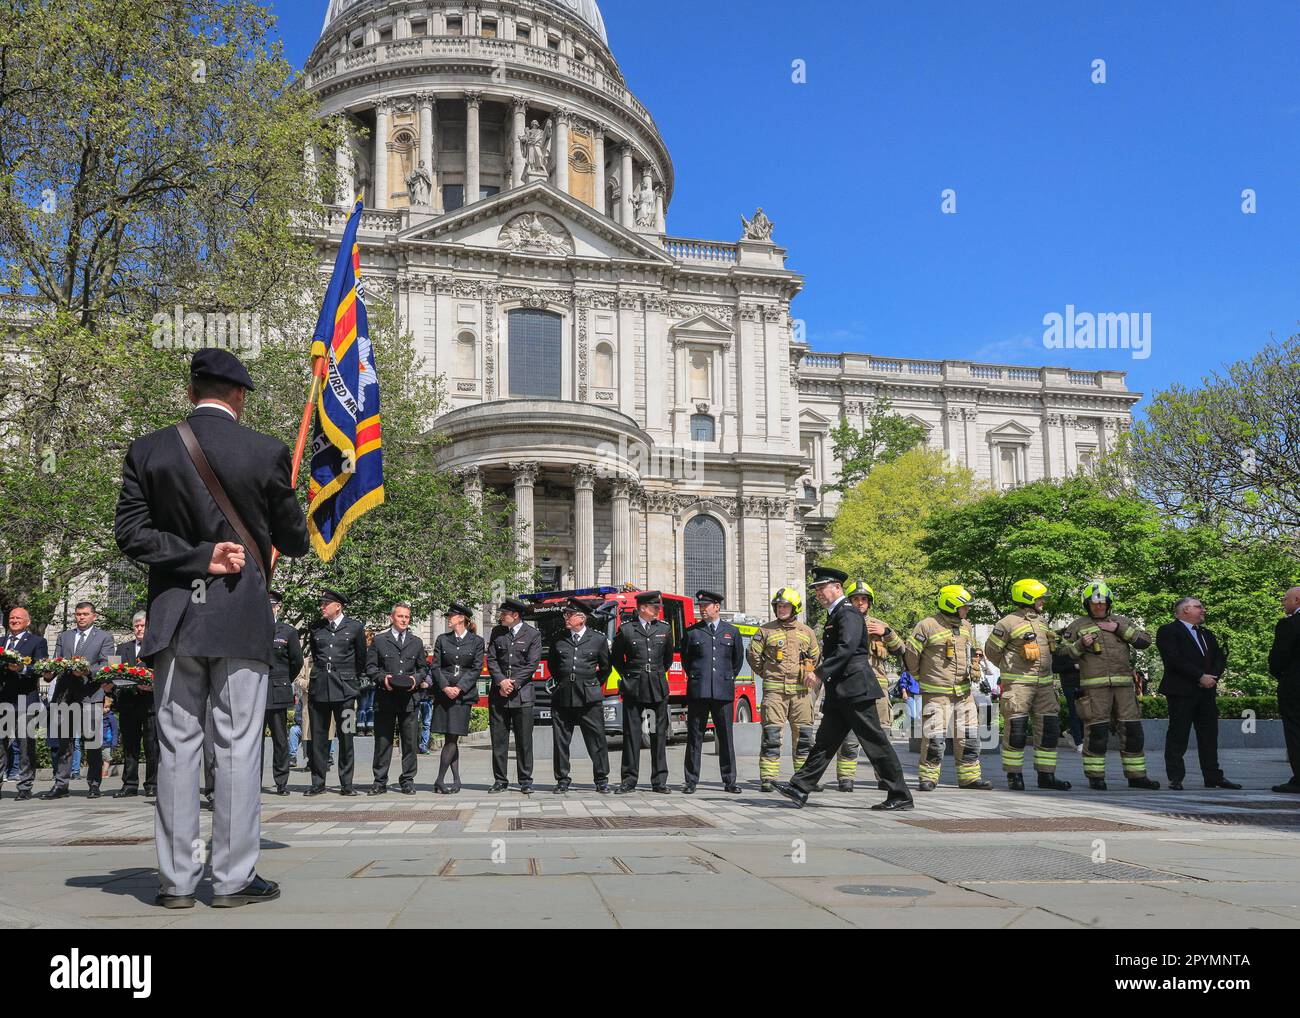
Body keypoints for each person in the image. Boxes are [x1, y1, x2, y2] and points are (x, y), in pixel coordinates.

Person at [114, 348, 310, 908]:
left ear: (191, 390)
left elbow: (130, 535)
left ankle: (175, 882)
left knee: (176, 748)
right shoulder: (266, 452)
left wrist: (199, 555)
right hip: (242, 618)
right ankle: (230, 879)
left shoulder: (148, 450)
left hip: (176, 618)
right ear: (239, 396)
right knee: (238, 746)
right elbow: (294, 542)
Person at [773, 568, 913, 811]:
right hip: (842, 691)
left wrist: (818, 672)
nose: (817, 592)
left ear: (836, 587)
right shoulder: (836, 613)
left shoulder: (846, 613)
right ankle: (800, 787)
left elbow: (846, 648)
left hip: (855, 689)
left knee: (875, 742)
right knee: (825, 743)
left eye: (821, 587)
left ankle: (900, 794)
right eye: (815, 588)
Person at [1060, 582, 1159, 790]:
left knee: (1132, 731)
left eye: (1103, 603)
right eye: (1094, 604)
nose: (1099, 607)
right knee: (1097, 733)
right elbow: (1061, 654)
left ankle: (1137, 776)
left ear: (1109, 604)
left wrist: (1119, 629)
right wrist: (1080, 645)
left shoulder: (1121, 621)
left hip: (1123, 688)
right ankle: (1095, 777)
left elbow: (1145, 641)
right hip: (1095, 691)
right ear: (1087, 605)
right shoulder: (1077, 626)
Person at [984, 579, 1071, 791]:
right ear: (1027, 597)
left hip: (1044, 686)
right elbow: (991, 652)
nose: (1043, 601)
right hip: (1019, 686)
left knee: (1049, 729)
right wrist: (1010, 668)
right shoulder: (1007, 623)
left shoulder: (1041, 622)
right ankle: (1014, 776)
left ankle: (1046, 776)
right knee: (1017, 730)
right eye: (1040, 598)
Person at [904, 585, 992, 791]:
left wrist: (974, 667)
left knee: (969, 735)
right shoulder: (927, 626)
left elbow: (967, 651)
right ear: (951, 605)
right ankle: (928, 778)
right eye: (964, 606)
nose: (967, 610)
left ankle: (969, 777)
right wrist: (920, 676)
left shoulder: (966, 627)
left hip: (963, 692)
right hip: (937, 693)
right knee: (934, 737)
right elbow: (911, 656)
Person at [1156, 597, 1240, 791]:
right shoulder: (1168, 631)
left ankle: (1213, 777)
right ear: (1186, 610)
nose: (1203, 610)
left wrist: (1212, 677)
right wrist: (1199, 676)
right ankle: (1176, 777)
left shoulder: (1207, 634)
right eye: (1199, 607)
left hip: (1207, 692)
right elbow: (1173, 659)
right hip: (1181, 691)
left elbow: (1219, 658)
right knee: (1178, 734)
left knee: (1209, 735)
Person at [836, 579, 906, 792]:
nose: (859, 603)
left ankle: (884, 777)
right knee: (849, 737)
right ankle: (846, 778)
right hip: (851, 685)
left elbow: (901, 650)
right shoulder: (841, 622)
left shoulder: (880, 624)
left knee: (881, 735)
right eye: (855, 599)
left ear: (869, 603)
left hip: (878, 688)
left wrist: (887, 633)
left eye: (863, 599)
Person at [747, 586, 820, 792]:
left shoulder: (807, 633)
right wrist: (768, 674)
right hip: (775, 693)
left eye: (785, 606)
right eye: (778, 606)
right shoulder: (765, 630)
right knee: (771, 735)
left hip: (802, 693)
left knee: (804, 737)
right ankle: (768, 778)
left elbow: (815, 658)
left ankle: (803, 779)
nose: (781, 609)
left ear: (794, 608)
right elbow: (753, 656)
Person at [44, 601, 113, 799]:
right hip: (65, 695)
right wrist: (48, 671)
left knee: (92, 742)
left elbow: (106, 664)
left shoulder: (103, 637)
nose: (80, 617)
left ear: (94, 616)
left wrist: (87, 670)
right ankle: (61, 784)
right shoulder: (64, 636)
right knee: (64, 742)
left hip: (90, 694)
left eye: (84, 614)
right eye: (78, 614)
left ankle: (93, 784)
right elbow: (56, 660)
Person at [546, 597, 612, 794]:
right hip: (563, 695)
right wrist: (564, 682)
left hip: (589, 697)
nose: (566, 617)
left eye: (570, 614)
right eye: (566, 614)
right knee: (560, 741)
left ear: (581, 618)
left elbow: (605, 668)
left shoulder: (598, 639)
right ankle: (562, 779)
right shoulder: (559, 638)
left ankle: (601, 778)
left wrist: (591, 685)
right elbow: (553, 666)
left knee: (596, 739)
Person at [305, 590, 367, 797]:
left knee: (346, 737)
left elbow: (361, 660)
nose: (322, 607)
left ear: (338, 606)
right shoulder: (315, 627)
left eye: (325, 603)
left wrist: (351, 680)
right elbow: (316, 654)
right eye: (322, 603)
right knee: (318, 738)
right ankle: (318, 782)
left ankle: (347, 784)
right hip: (319, 690)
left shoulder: (355, 627)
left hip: (345, 693)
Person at [610, 590, 673, 794]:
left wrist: (655, 673)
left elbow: (667, 660)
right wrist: (629, 677)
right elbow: (617, 659)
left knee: (657, 734)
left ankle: (659, 780)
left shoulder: (664, 629)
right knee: (632, 735)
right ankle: (629, 779)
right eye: (655, 608)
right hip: (634, 688)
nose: (658, 611)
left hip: (656, 689)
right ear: (643, 608)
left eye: (659, 607)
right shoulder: (627, 630)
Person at [681, 591, 744, 794]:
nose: (702, 609)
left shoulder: (731, 632)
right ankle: (691, 780)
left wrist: (724, 678)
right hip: (698, 691)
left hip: (722, 692)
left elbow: (737, 661)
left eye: (706, 606)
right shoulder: (693, 633)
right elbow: (686, 661)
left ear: (717, 607)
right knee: (694, 737)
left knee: (726, 737)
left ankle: (729, 780)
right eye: (700, 606)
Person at [366, 602, 428, 796]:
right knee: (383, 741)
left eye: (407, 617)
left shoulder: (416, 641)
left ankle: (407, 780)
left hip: (409, 699)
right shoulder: (379, 640)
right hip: (385, 698)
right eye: (400, 616)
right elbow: (370, 668)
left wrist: (415, 679)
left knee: (409, 742)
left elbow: (423, 668)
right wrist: (382, 678)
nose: (403, 620)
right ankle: (379, 781)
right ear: (392, 617)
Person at [487, 597, 541, 794]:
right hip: (499, 694)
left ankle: (525, 780)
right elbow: (491, 659)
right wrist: (501, 681)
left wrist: (513, 683)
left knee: (524, 741)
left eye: (504, 613)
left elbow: (532, 664)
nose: (501, 616)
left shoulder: (532, 634)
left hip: (522, 695)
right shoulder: (497, 632)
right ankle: (500, 780)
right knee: (498, 741)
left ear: (515, 615)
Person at [430, 602, 484, 794]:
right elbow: (435, 666)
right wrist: (445, 686)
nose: (448, 619)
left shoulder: (477, 641)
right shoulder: (442, 640)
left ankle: (440, 779)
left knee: (452, 738)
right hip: (445, 695)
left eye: (451, 616)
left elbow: (476, 668)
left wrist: (459, 688)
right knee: (450, 737)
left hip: (463, 697)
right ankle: (457, 780)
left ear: (461, 618)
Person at [1, 606, 48, 801]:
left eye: (18, 618)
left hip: (25, 699)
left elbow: (40, 667)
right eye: (11, 617)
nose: (14, 620)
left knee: (25, 743)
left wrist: (22, 668)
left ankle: (25, 784)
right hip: (3, 698)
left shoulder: (38, 641)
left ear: (27, 621)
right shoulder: (1, 642)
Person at [113, 611, 159, 798]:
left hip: (150, 704)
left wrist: (153, 685)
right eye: (136, 626)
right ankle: (129, 783)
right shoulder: (122, 648)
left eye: (143, 625)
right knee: (130, 746)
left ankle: (153, 784)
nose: (139, 629)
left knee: (151, 745)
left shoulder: (157, 648)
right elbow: (112, 671)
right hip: (128, 703)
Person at [265, 593, 303, 796]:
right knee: (253, 741)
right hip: (255, 691)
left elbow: (297, 661)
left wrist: (283, 679)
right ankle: (252, 780)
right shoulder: (251, 628)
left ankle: (281, 782)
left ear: (278, 607)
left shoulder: (287, 631)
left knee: (280, 739)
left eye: (271, 605)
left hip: (277, 690)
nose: (268, 608)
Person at [1269, 587, 1300, 793]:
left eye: (1285, 599)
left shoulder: (1289, 624)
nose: (1283, 602)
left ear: (1297, 600)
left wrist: (1281, 674)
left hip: (1295, 686)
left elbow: (1280, 656)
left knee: (1296, 731)